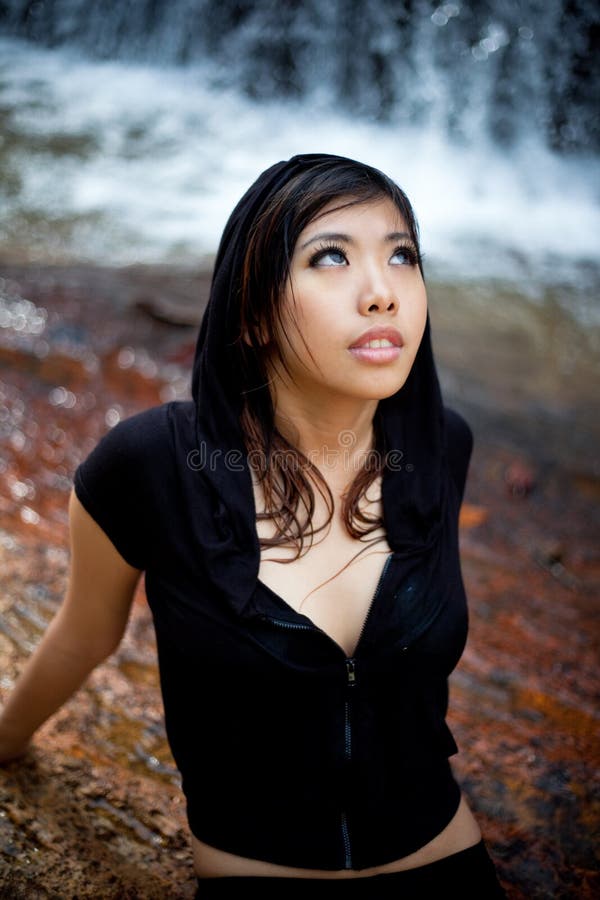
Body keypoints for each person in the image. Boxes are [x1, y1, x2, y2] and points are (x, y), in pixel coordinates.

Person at [0, 153, 507, 898]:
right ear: (253, 311)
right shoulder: (150, 466)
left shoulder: (438, 446)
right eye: (331, 256)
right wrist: (6, 741)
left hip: (443, 855)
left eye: (402, 255)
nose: (382, 293)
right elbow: (87, 632)